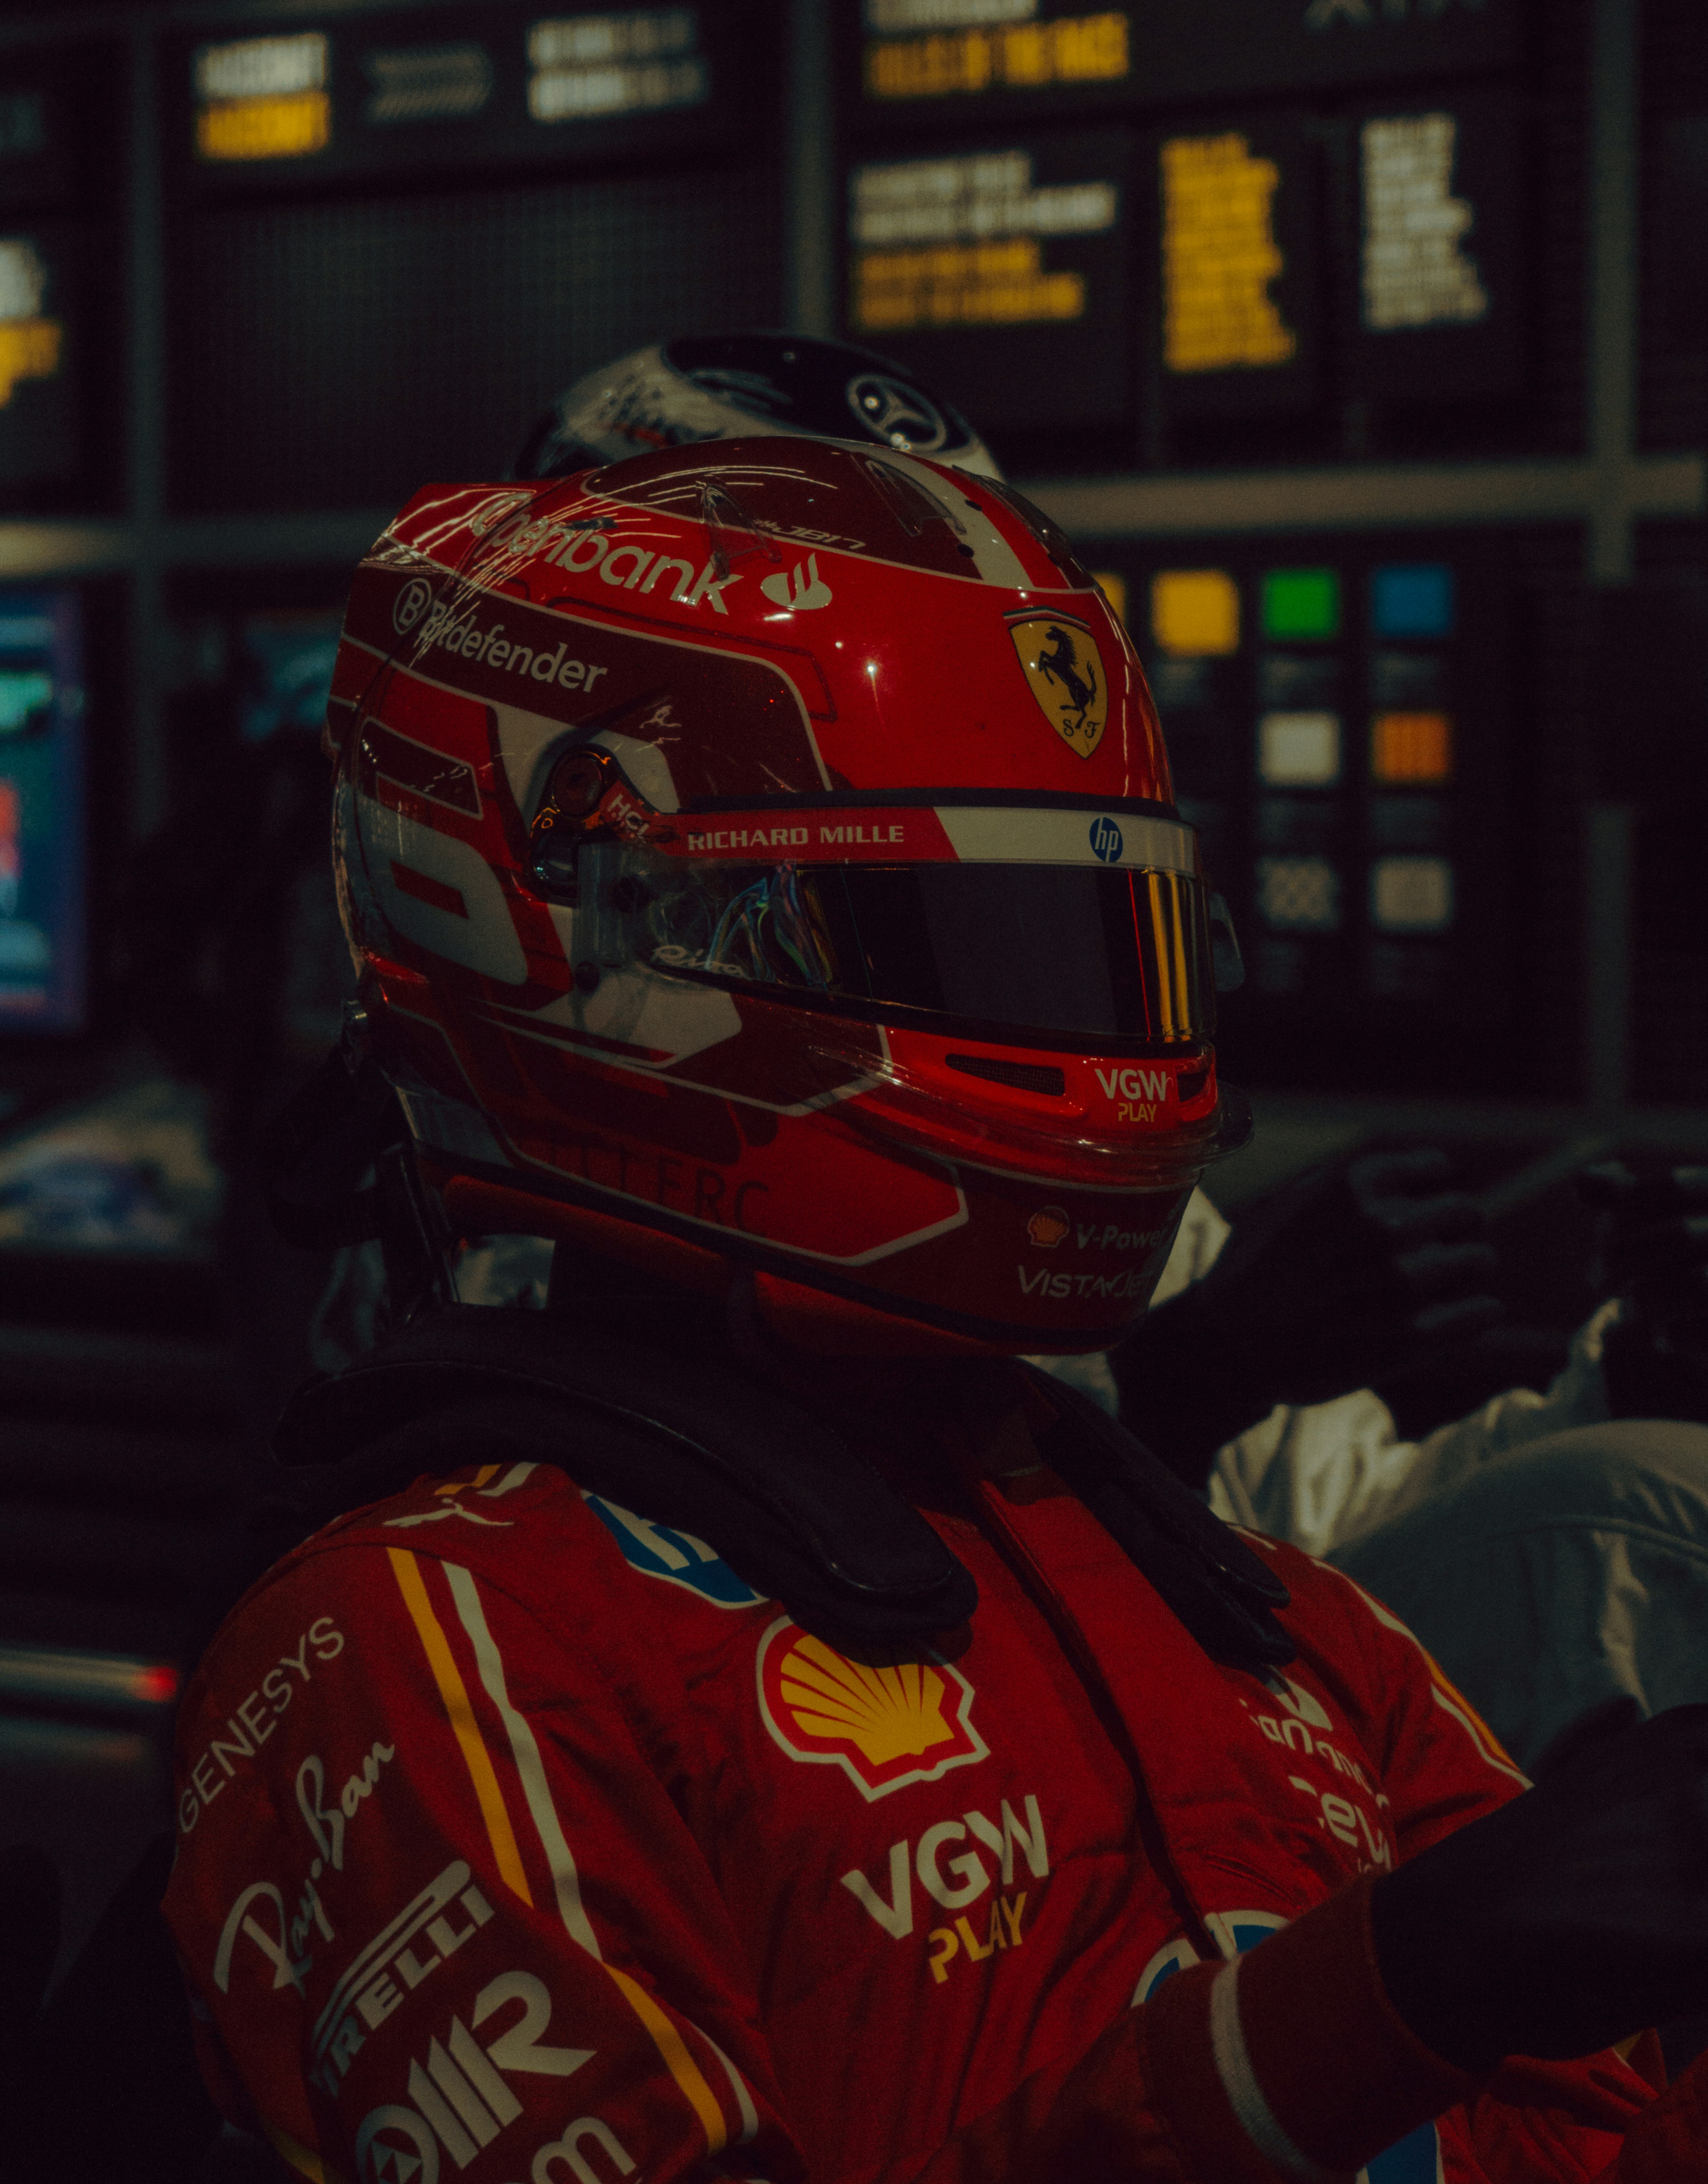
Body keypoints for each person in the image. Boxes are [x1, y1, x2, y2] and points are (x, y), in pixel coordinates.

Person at [35, 334, 1708, 2180]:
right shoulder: (437, 1635)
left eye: (1094, 941)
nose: (1074, 1055)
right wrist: (1396, 1991)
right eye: (949, 941)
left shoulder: (1300, 1628)